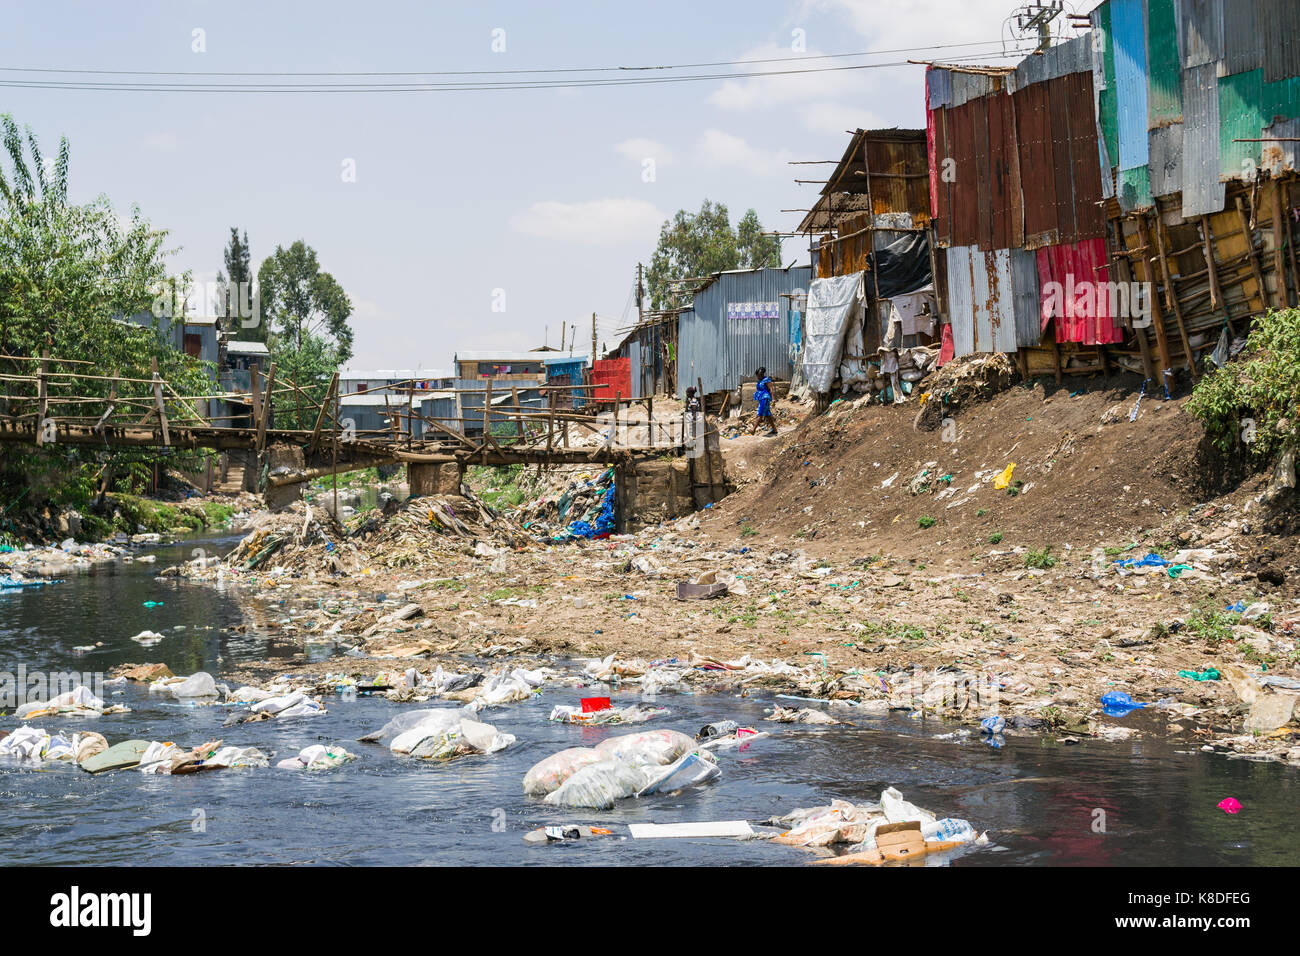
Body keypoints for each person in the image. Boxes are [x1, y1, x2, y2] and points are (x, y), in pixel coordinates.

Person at [754, 367, 777, 436]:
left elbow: (771, 389)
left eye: (759, 375)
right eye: (757, 375)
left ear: (762, 374)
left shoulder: (766, 380)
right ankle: (774, 429)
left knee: (760, 413)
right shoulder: (760, 381)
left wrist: (773, 399)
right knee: (767, 415)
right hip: (762, 398)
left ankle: (753, 429)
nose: (758, 376)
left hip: (765, 398)